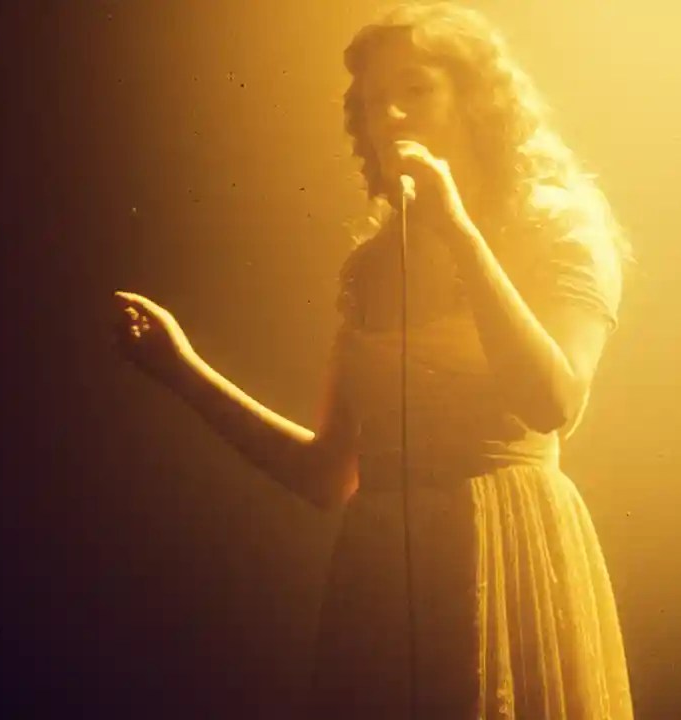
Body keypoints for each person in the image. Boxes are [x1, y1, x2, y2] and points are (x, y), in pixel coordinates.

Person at [112, 3, 635, 717]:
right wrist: (181, 369)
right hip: (383, 574)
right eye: (370, 101)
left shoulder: (556, 226)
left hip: (504, 547)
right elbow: (327, 476)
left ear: (477, 98)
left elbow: (554, 401)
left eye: (415, 88)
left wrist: (459, 232)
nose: (388, 115)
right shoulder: (373, 266)